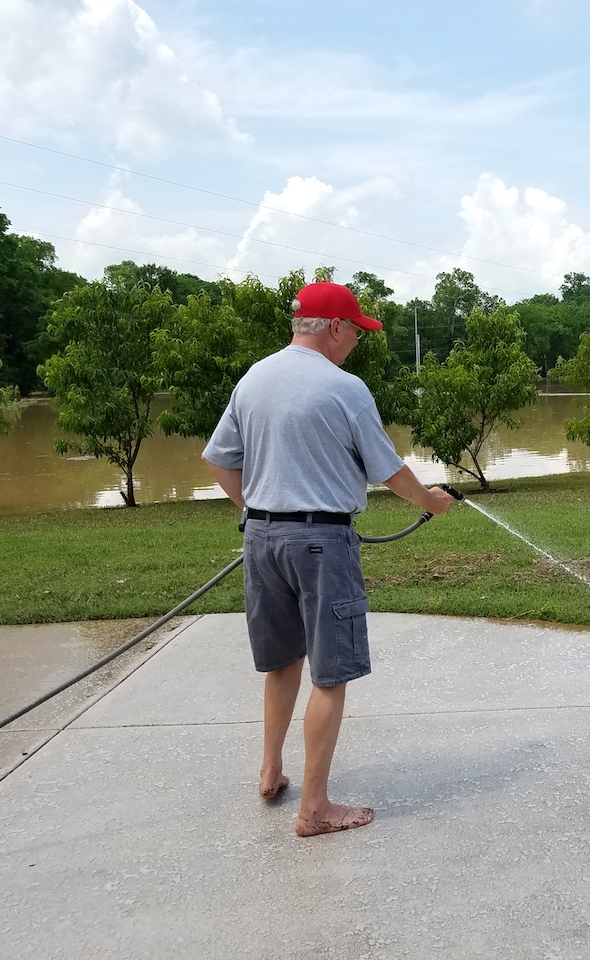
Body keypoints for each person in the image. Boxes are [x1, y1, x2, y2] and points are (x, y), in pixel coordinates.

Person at [202, 281, 454, 837]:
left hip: (262, 540)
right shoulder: (345, 388)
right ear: (334, 328)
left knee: (281, 661)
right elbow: (388, 470)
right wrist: (431, 502)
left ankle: (271, 770)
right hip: (321, 544)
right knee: (330, 674)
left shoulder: (254, 378)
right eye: (356, 333)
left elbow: (219, 460)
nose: (356, 344)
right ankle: (314, 809)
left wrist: (259, 511)